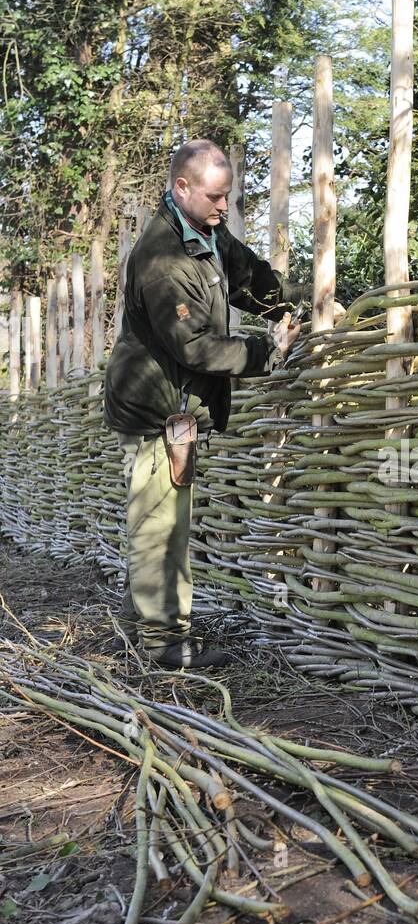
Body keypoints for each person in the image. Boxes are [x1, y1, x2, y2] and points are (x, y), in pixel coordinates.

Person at [103, 138, 301, 668]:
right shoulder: (160, 258)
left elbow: (247, 275)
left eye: (227, 196)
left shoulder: (204, 233)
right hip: (154, 407)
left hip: (176, 405)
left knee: (161, 519)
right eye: (214, 196)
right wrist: (267, 351)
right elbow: (193, 347)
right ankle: (165, 646)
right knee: (160, 525)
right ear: (181, 187)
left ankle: (142, 627)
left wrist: (289, 303)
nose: (222, 206)